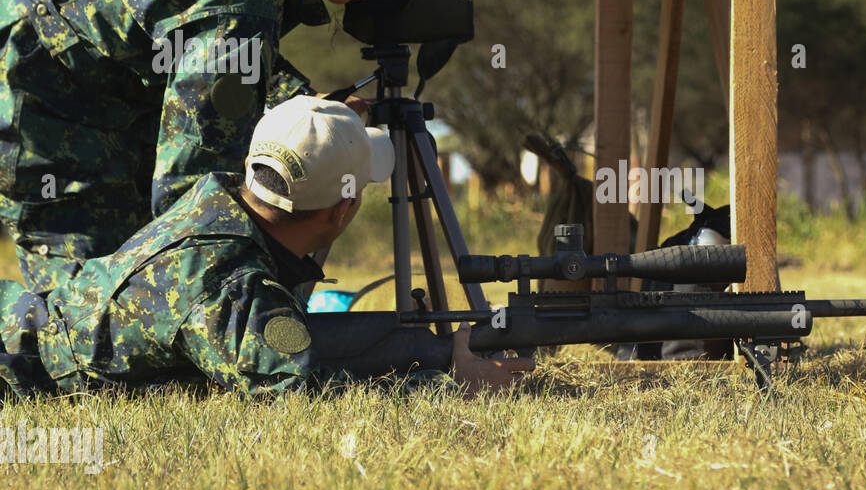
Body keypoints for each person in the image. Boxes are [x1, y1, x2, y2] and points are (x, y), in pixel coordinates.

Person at [0, 0, 423, 292]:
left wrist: (296, 98)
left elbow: (196, 33)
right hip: (38, 96)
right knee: (92, 306)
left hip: (72, 57)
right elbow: (193, 184)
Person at [0, 96, 535, 397]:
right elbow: (296, 394)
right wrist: (448, 380)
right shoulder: (229, 287)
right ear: (341, 211)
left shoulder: (213, 199)